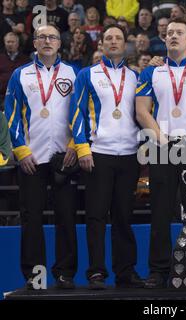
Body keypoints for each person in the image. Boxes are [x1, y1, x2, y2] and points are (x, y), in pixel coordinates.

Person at [135, 18, 186, 289]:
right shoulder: (150, 73)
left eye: (179, 33)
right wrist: (162, 139)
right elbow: (141, 111)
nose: (173, 36)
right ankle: (159, 270)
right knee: (160, 210)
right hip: (162, 148)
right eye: (169, 33)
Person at [69, 24, 144, 290]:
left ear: (126, 45)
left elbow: (144, 113)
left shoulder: (136, 77)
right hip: (98, 154)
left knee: (124, 216)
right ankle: (96, 272)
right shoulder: (87, 74)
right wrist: (82, 148)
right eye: (108, 38)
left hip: (129, 155)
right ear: (101, 43)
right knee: (96, 215)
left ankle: (126, 271)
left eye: (118, 38)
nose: (113, 42)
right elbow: (76, 113)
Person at [5, 24, 78, 289]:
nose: (47, 41)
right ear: (34, 43)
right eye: (42, 37)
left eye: (53, 37)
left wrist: (75, 145)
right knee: (32, 218)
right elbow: (11, 116)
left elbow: (79, 113)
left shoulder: (73, 73)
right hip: (32, 158)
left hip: (64, 156)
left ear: (60, 43)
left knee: (66, 216)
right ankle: (35, 277)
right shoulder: (20, 74)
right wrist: (21, 151)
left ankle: (65, 273)